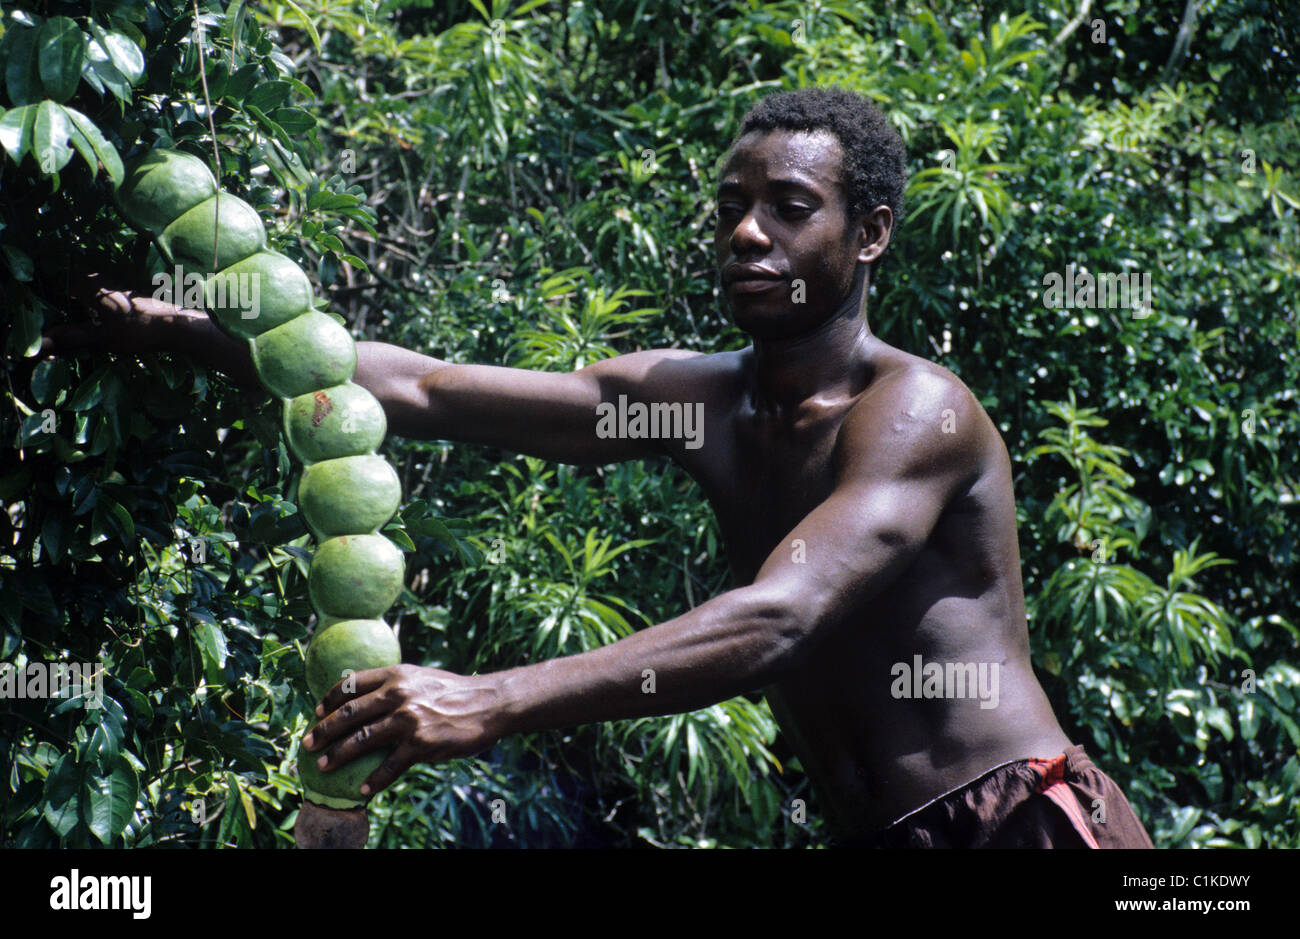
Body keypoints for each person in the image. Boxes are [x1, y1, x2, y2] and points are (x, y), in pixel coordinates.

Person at [46, 86, 1153, 848]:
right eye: (730, 209)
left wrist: (491, 698)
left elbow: (778, 617)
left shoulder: (913, 410)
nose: (747, 234)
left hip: (1012, 822)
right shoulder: (699, 403)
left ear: (867, 234)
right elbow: (422, 388)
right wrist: (158, 323)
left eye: (788, 209)